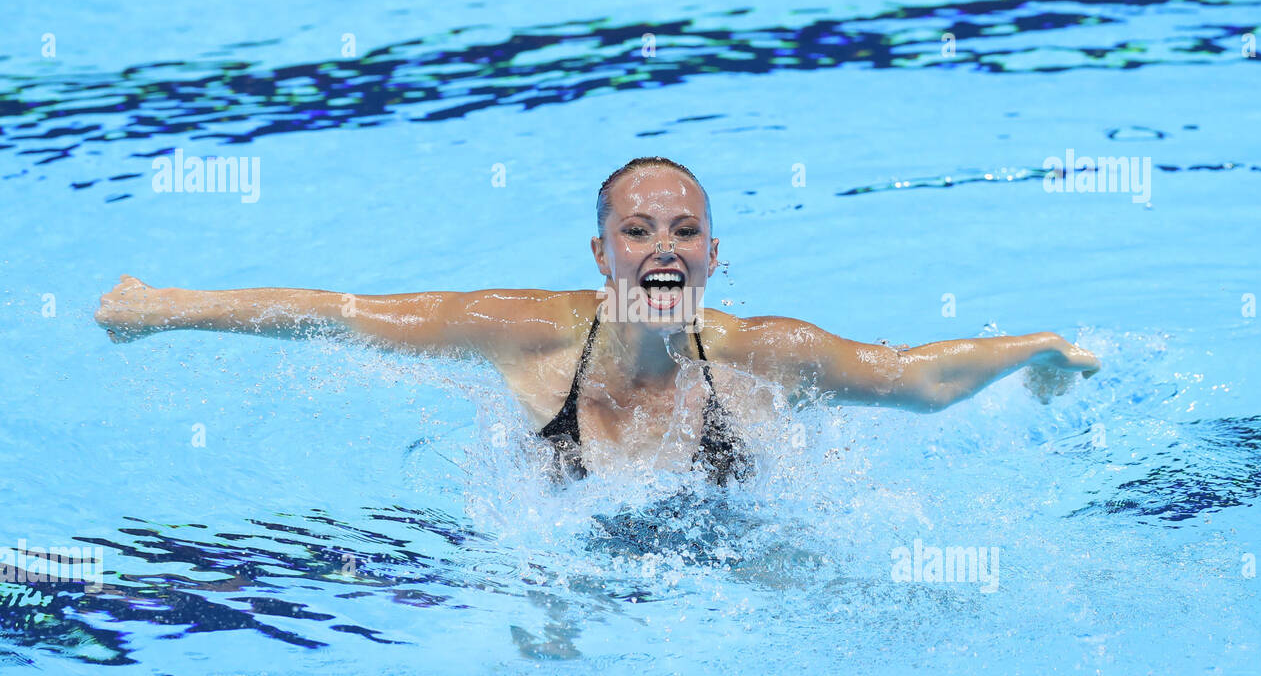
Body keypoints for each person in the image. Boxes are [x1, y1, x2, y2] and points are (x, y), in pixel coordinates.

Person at [94, 156, 1101, 485]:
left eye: (683, 231)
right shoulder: (518, 329)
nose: (661, 247)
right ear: (600, 254)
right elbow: (338, 316)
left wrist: (1041, 351)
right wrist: (164, 309)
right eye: (636, 229)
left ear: (711, 258)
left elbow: (911, 377)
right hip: (562, 550)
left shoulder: (763, 352)